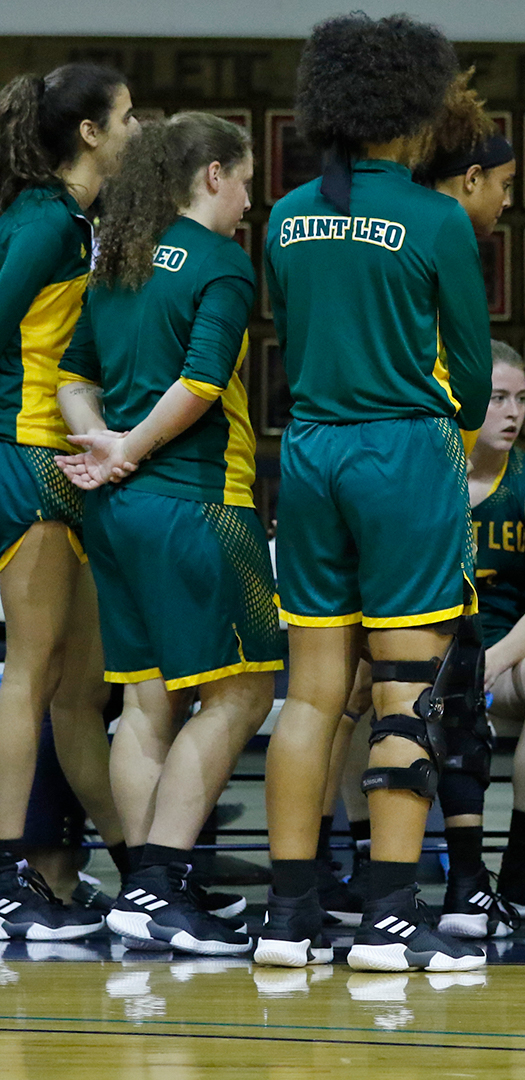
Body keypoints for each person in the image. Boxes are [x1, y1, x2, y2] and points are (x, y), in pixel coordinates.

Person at [252, 12, 494, 974]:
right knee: (406, 693)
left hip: (308, 454)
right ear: (413, 105)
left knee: (310, 700)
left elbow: (293, 330)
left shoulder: (283, 213)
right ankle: (390, 919)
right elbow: (473, 383)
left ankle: (287, 917)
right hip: (403, 457)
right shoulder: (437, 217)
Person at [50, 113, 277, 956]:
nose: (251, 201)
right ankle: (158, 889)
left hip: (115, 509)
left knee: (148, 701)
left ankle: (147, 890)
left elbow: (75, 377)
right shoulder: (219, 263)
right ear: (212, 175)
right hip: (198, 503)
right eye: (247, 181)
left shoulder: (118, 258)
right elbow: (203, 383)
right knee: (245, 689)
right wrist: (132, 448)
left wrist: (105, 447)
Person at [0, 61, 139, 938]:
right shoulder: (45, 220)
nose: (137, 128)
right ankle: (9, 875)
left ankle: (146, 871)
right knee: (31, 673)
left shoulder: (78, 220)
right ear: (89, 133)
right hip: (26, 457)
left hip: (67, 464)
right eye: (127, 117)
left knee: (80, 690)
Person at [432, 341, 525, 938]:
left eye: (520, 399)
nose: (512, 413)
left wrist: (489, 660)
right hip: (430, 652)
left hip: (507, 654)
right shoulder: (429, 471)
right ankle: (366, 865)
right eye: (497, 399)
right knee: (363, 677)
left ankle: (522, 866)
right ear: (466, 402)